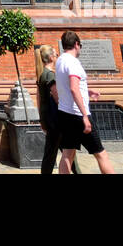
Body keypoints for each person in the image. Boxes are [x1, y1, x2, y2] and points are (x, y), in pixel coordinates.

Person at [54, 31, 113, 175]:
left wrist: (87, 91)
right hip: (78, 114)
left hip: (65, 113)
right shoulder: (73, 62)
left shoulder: (60, 60)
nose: (80, 48)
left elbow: (67, 86)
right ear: (76, 44)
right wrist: (85, 116)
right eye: (80, 45)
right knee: (101, 154)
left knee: (68, 154)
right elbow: (74, 89)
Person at [37, 44, 77, 175]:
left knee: (64, 150)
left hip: (51, 119)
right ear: (50, 57)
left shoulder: (43, 74)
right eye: (55, 55)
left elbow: (39, 100)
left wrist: (42, 120)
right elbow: (57, 97)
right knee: (59, 152)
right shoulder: (49, 75)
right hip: (57, 120)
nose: (57, 57)